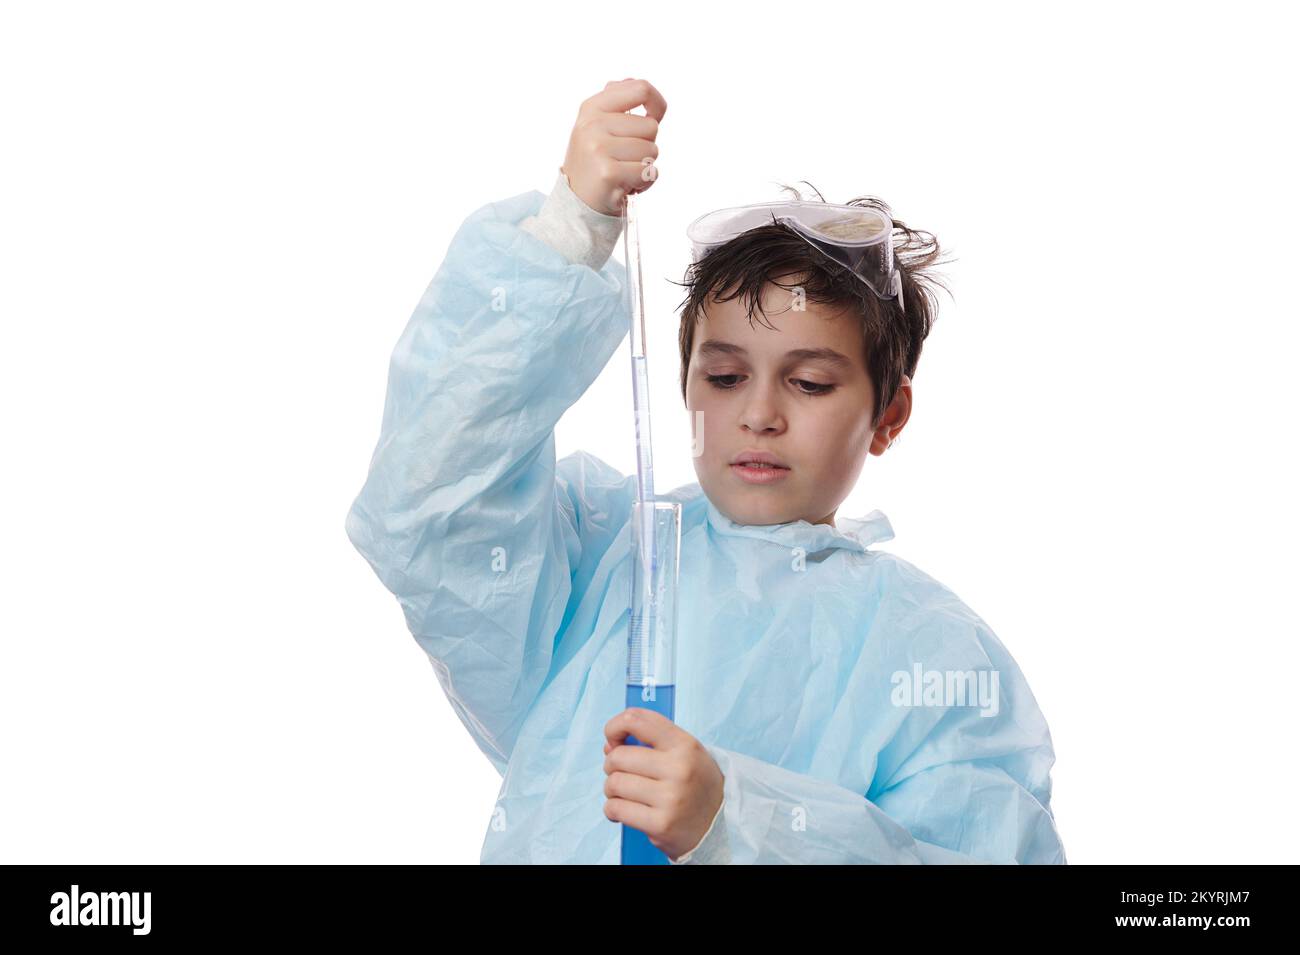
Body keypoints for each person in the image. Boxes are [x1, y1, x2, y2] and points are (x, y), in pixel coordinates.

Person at [344, 78, 1067, 864]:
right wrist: (570, 230)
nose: (759, 413)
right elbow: (425, 502)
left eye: (811, 382)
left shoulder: (933, 658)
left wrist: (737, 821)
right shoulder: (601, 560)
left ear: (888, 415)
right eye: (723, 377)